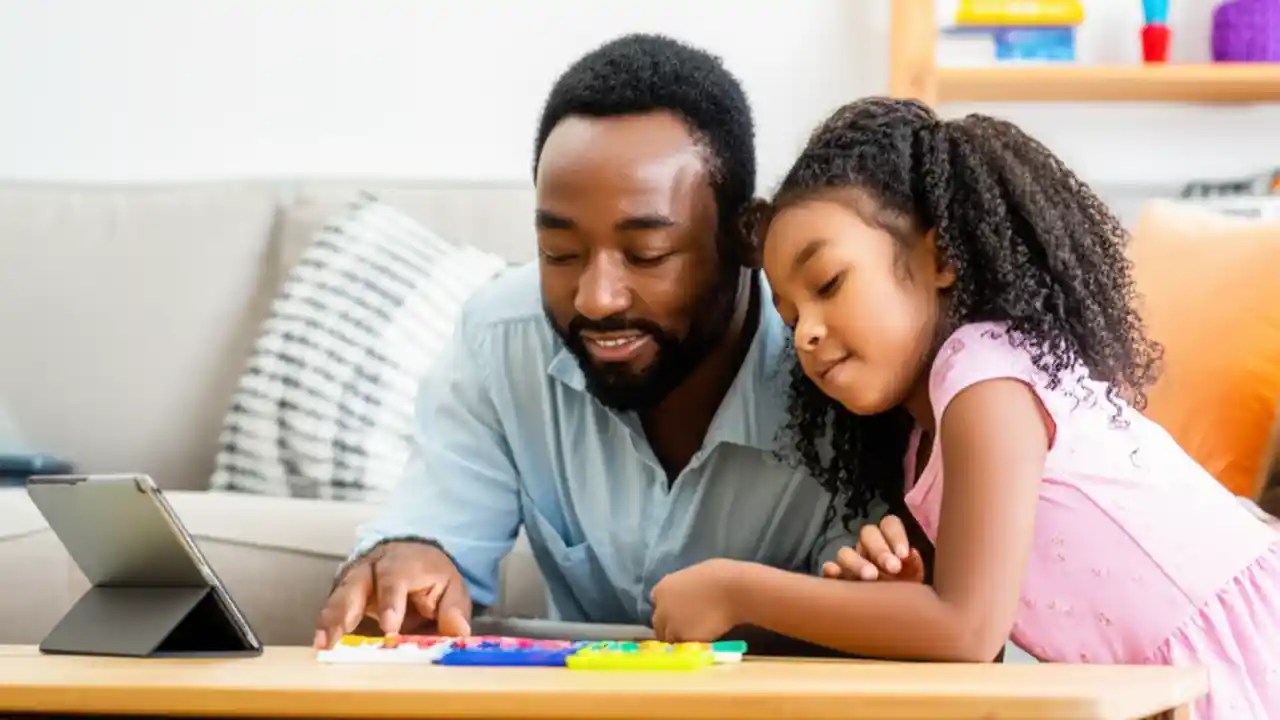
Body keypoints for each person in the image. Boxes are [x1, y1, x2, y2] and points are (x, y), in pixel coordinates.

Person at [648, 97, 1280, 718]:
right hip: (1160, 693)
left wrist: (737, 589)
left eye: (829, 284)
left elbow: (967, 629)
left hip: (1236, 667)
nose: (807, 332)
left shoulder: (985, 377)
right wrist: (898, 606)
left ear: (941, 258)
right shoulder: (921, 445)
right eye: (790, 317)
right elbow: (982, 650)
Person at [312, 34, 860, 650]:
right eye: (560, 253)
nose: (597, 299)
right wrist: (408, 567)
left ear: (748, 237)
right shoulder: (502, 339)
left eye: (646, 254)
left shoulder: (838, 358)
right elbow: (432, 534)